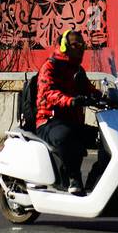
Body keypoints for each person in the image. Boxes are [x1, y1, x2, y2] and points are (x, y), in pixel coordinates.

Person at [35, 29, 99, 195]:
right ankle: (73, 178)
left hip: (72, 122)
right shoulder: (50, 66)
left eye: (82, 44)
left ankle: (96, 181)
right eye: (75, 45)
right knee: (66, 135)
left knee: (105, 139)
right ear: (64, 46)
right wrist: (69, 100)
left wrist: (108, 98)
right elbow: (48, 92)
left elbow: (89, 89)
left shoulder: (78, 70)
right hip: (49, 121)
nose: (80, 48)